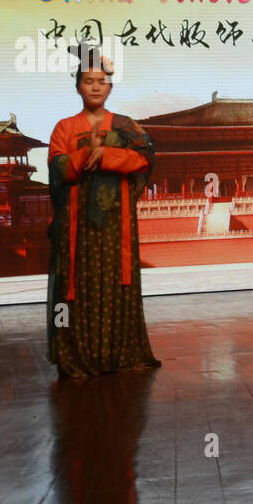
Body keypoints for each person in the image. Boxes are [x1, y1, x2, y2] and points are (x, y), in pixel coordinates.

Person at [47, 46, 160, 377]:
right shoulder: (65, 128)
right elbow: (56, 168)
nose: (95, 87)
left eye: (102, 81)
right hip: (76, 224)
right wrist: (84, 157)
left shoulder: (127, 126)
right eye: (87, 81)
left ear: (110, 86)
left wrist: (107, 155)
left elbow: (145, 160)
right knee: (78, 284)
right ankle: (76, 354)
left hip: (117, 222)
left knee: (116, 282)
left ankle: (120, 352)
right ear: (77, 86)